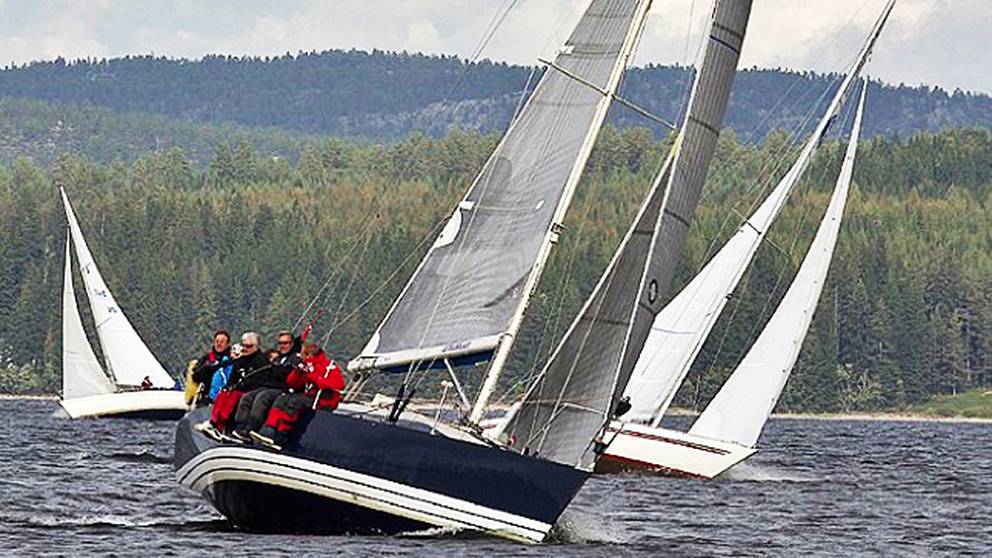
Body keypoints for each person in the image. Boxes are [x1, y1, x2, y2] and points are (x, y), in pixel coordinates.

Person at [251, 341, 345, 450]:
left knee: (295, 402)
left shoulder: (329, 367)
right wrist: (298, 372)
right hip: (308, 395)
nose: (302, 357)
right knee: (283, 398)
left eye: (304, 355)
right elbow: (292, 383)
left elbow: (336, 385)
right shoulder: (307, 365)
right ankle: (269, 430)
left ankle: (281, 436)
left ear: (310, 355)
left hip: (323, 400)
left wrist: (310, 373)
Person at [196, 331, 272, 441]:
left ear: (256, 346)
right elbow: (233, 377)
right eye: (243, 345)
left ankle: (226, 426)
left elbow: (260, 380)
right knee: (223, 395)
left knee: (234, 397)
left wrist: (240, 386)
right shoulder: (240, 360)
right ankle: (215, 423)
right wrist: (229, 386)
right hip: (237, 389)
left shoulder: (262, 361)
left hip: (251, 391)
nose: (245, 348)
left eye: (248, 346)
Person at [229, 330, 301, 441]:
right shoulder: (278, 359)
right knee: (247, 397)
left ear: (292, 344)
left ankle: (251, 429)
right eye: (280, 343)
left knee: (263, 397)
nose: (282, 346)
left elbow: (286, 376)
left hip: (284, 389)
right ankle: (240, 428)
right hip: (271, 386)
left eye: (285, 343)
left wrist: (277, 371)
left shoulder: (295, 359)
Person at [190, 330, 233, 405]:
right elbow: (195, 377)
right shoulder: (207, 358)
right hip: (208, 396)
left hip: (227, 397)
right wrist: (208, 368)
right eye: (217, 341)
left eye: (222, 342)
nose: (219, 344)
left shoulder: (232, 359)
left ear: (227, 344)